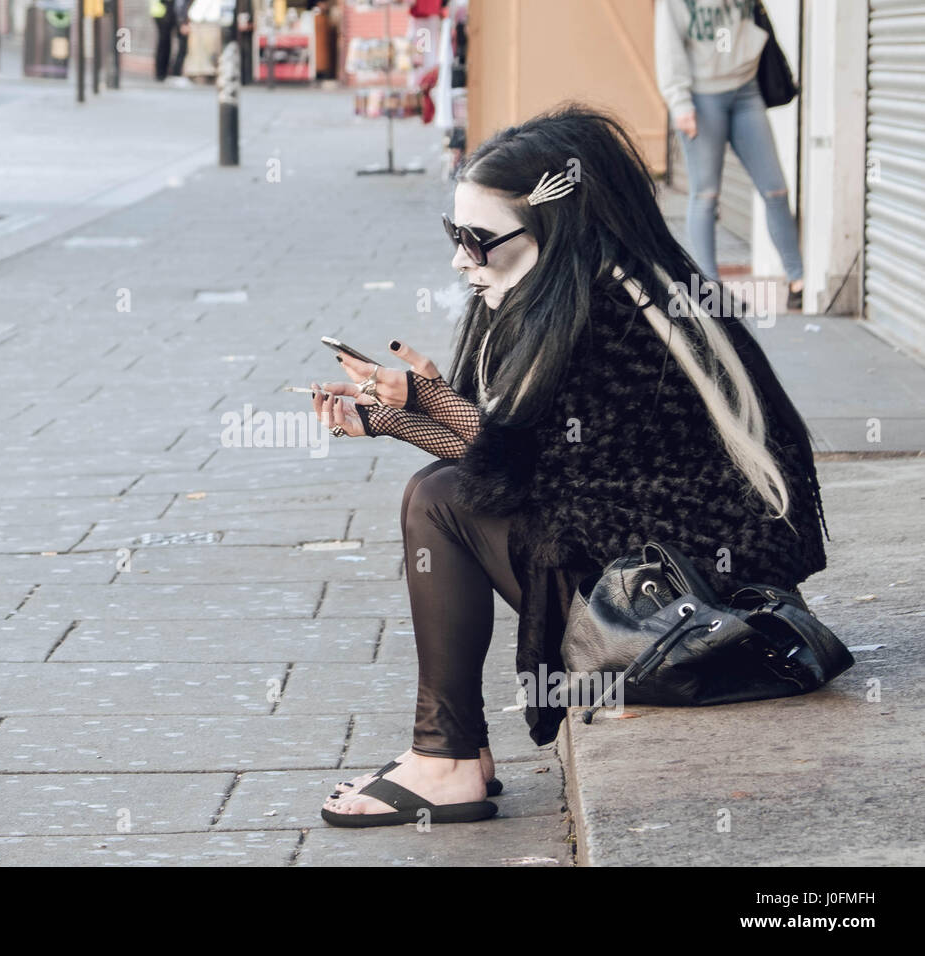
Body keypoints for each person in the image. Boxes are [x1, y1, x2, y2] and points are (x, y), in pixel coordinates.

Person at [308, 105, 831, 827]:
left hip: (695, 613)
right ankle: (452, 754)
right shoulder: (598, 280)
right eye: (453, 234)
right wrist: (404, 411)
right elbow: (530, 454)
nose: (461, 258)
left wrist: (418, 406)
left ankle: (448, 759)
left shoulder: (609, 313)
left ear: (551, 225)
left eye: (477, 239)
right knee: (439, 490)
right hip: (665, 574)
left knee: (438, 500)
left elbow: (511, 471)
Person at [655, 0, 805, 311]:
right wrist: (679, 102)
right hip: (702, 96)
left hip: (747, 90)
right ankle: (709, 289)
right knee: (706, 194)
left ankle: (799, 279)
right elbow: (668, 46)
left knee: (775, 188)